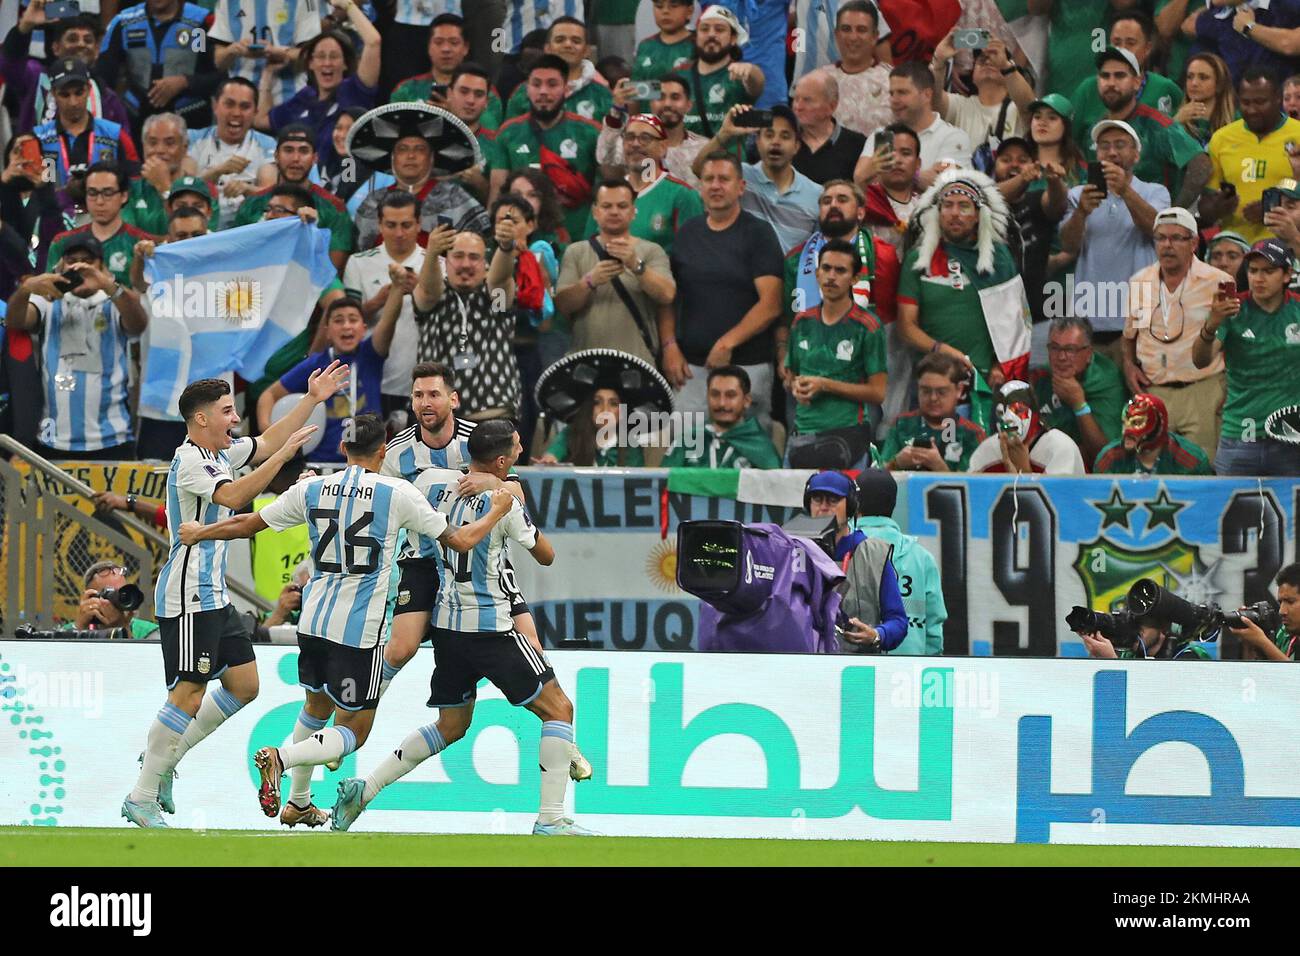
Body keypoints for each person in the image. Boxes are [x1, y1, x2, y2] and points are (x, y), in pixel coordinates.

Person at [176, 413, 516, 826]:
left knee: (315, 707)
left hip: (313, 620)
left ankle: (299, 803)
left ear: (342, 449)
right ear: (383, 450)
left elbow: (249, 523)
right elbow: (461, 540)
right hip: (358, 630)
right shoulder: (398, 492)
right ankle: (281, 758)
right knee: (353, 730)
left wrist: (200, 532)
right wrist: (496, 511)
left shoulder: (312, 488)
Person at [332, 420, 597, 836]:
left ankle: (364, 789)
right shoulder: (501, 501)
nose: (523, 446)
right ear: (503, 460)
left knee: (450, 725)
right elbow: (546, 555)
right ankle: (551, 820)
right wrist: (512, 507)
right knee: (559, 708)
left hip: (448, 628)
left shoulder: (436, 488)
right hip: (491, 626)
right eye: (517, 445)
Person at [120, 368, 346, 828]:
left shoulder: (217, 452)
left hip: (214, 596)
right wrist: (282, 456)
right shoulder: (190, 461)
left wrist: (311, 399)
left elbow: (265, 441)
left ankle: (161, 758)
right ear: (201, 420)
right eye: (227, 411)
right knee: (188, 693)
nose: (235, 418)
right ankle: (142, 794)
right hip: (187, 597)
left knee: (244, 685)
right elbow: (238, 494)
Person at [666, 150, 784, 429]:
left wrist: (727, 343)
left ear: (741, 187)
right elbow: (669, 297)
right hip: (690, 369)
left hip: (748, 366)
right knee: (686, 455)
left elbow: (772, 303)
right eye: (708, 179)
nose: (715, 186)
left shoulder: (759, 234)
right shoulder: (687, 233)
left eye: (724, 179)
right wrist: (669, 346)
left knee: (748, 460)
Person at [6, 233, 148, 460]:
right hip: (53, 439)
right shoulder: (46, 301)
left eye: (88, 260)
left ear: (101, 265)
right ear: (61, 264)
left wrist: (106, 284)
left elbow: (138, 323)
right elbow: (15, 321)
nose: (80, 266)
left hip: (112, 439)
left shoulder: (116, 302)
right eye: (72, 260)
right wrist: (25, 290)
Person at [1123, 205, 1229, 462]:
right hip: (1154, 390)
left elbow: (1229, 339)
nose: (1167, 245)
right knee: (1150, 467)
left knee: (1202, 468)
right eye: (1161, 238)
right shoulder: (1140, 282)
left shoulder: (1219, 282)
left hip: (1202, 389)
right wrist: (1128, 365)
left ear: (1193, 243)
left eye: (1176, 238)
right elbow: (1130, 336)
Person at [896, 168, 1019, 389]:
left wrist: (999, 366)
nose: (954, 213)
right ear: (938, 212)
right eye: (948, 205)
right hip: (932, 380)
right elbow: (906, 327)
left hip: (985, 381)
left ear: (978, 215)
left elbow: (1014, 324)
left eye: (963, 206)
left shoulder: (998, 260)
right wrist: (941, 350)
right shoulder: (919, 259)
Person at [1060, 119, 1168, 361]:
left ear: (1136, 155)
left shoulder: (1155, 192)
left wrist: (1125, 191)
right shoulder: (1078, 195)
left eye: (1120, 145)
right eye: (1104, 146)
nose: (1111, 152)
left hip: (1139, 321)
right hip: (1088, 321)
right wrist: (1081, 213)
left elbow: (1158, 229)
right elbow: (1068, 245)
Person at [1193, 238, 1300, 476]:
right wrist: (1211, 325)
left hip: (1292, 439)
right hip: (1240, 434)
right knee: (1227, 510)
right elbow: (1200, 360)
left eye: (1268, 271)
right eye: (1253, 271)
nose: (1258, 278)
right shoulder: (1232, 310)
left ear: (1286, 275)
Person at [784, 238, 888, 467]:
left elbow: (878, 392)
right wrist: (795, 386)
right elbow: (790, 375)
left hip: (848, 437)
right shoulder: (801, 322)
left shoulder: (868, 327)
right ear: (817, 273)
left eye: (840, 270)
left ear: (854, 278)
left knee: (844, 502)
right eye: (826, 268)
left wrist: (824, 385)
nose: (831, 276)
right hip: (802, 435)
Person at [258, 297, 401, 463]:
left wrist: (397, 289)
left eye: (353, 320)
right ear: (327, 331)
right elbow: (268, 395)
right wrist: (267, 434)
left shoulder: (370, 354)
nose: (346, 326)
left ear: (363, 329)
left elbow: (389, 321)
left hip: (368, 461)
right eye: (338, 320)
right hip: (320, 464)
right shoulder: (316, 364)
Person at [555, 179, 675, 365]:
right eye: (606, 206)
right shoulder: (576, 252)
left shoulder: (653, 251)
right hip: (587, 362)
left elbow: (667, 295)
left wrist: (636, 265)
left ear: (633, 211)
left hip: (638, 362)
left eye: (622, 206)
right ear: (595, 212)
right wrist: (589, 281)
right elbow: (563, 306)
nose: (614, 211)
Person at [1068, 47, 1209, 205]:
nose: (1111, 83)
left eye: (1120, 76)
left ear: (1137, 82)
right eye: (1105, 76)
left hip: (1152, 220)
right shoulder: (1095, 131)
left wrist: (1176, 212)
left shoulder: (1157, 125)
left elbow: (1201, 163)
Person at [412, 225, 520, 420]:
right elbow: (428, 289)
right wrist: (433, 251)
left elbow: (500, 278)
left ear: (485, 263)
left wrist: (505, 248)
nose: (466, 264)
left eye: (474, 257)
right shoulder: (434, 296)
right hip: (438, 420)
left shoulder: (497, 299)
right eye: (458, 256)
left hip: (492, 414)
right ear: (446, 261)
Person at [495, 54, 604, 240]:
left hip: (578, 238)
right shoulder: (507, 133)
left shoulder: (591, 132)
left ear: (566, 88)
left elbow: (603, 192)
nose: (543, 91)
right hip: (522, 240)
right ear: (526, 88)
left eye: (552, 84)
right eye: (536, 84)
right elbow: (497, 193)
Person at [692, 103, 821, 257]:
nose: (776, 142)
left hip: (790, 278)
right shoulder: (740, 175)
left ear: (796, 146)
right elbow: (700, 168)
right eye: (769, 134)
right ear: (758, 142)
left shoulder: (817, 194)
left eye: (785, 136)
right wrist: (725, 133)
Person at [343, 190, 426, 422]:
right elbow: (347, 323)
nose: (399, 233)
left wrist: (422, 292)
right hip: (371, 379)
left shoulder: (435, 266)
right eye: (391, 225)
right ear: (379, 225)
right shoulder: (359, 263)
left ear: (419, 224)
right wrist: (379, 300)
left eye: (406, 225)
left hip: (420, 380)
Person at [260, 5, 380, 155]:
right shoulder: (305, 97)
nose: (327, 63)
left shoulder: (354, 90)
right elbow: (261, 120)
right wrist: (267, 74)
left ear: (345, 64)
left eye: (334, 56)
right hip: (306, 175)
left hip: (348, 174)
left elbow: (373, 42)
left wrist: (348, 5)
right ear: (310, 63)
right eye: (321, 56)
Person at [1200, 68, 1300, 245]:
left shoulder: (1297, 134)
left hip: (1286, 249)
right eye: (1245, 102)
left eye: (1260, 102)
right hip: (1234, 249)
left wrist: (1272, 210)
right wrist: (1217, 208)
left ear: (1278, 98)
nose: (1252, 110)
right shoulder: (1222, 139)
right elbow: (1206, 205)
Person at [852, 468, 945, 656]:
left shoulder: (845, 552)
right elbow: (934, 629)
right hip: (909, 675)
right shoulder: (923, 558)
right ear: (893, 503)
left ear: (855, 504)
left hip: (855, 674)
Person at [234, 126, 353, 270]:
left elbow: (332, 270)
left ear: (315, 158)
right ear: (276, 156)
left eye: (303, 151)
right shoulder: (252, 204)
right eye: (288, 150)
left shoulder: (335, 209)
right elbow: (237, 256)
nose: (296, 159)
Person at [589, 111, 703, 256]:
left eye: (645, 138)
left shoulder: (682, 195)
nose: (636, 144)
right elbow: (587, 248)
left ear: (663, 147)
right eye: (629, 137)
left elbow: (693, 257)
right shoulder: (606, 193)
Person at [96, 0, 220, 133]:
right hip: (136, 122)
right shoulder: (126, 23)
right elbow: (103, 78)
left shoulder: (196, 23)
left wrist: (185, 82)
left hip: (191, 122)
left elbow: (216, 76)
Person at [852, 61, 972, 193]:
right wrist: (915, 176)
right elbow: (860, 177)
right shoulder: (881, 135)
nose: (894, 100)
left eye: (902, 93)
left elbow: (942, 184)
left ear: (927, 95)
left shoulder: (954, 137)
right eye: (892, 93)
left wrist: (887, 174)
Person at [3, 10, 130, 134]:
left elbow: (123, 148)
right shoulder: (35, 77)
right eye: (72, 39)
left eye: (88, 40)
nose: (81, 44)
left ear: (97, 51)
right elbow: (9, 66)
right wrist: (25, 27)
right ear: (56, 47)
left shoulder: (108, 98)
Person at [826, 471, 909, 653]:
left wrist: (878, 635)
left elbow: (898, 621)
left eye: (833, 501)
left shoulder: (875, 554)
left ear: (852, 506)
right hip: (802, 670)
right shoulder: (792, 551)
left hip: (856, 672)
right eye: (817, 500)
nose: (824, 508)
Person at [1030, 317, 1128, 469]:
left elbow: (1106, 457)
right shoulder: (1041, 377)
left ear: (1088, 353)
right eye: (1055, 348)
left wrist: (1079, 405)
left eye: (1070, 350)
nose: (1061, 357)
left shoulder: (1106, 380)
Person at [1067, 12, 1184, 138]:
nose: (1123, 49)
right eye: (1117, 42)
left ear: (1147, 48)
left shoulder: (1165, 88)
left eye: (1130, 43)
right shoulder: (1088, 90)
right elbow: (1069, 142)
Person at [34, 58, 140, 191]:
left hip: (105, 210)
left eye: (79, 93)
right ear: (53, 94)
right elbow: (25, 198)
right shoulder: (37, 139)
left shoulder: (116, 135)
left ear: (89, 89)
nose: (73, 102)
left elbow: (136, 188)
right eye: (65, 95)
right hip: (54, 211)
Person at [188, 77, 277, 229]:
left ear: (255, 111)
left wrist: (248, 190)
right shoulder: (192, 139)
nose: (236, 113)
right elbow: (184, 188)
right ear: (215, 105)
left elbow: (270, 194)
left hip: (247, 230)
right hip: (199, 230)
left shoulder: (267, 144)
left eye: (245, 106)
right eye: (229, 104)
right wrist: (217, 172)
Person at [391, 14, 505, 130]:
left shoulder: (484, 92)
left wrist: (455, 116)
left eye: (454, 42)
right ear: (429, 47)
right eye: (439, 42)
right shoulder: (405, 90)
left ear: (465, 48)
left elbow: (490, 135)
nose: (446, 49)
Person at [48, 163, 154, 286]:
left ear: (124, 196)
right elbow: (47, 296)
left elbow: (149, 295)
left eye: (108, 193)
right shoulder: (61, 242)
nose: (99, 201)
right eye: (92, 193)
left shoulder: (142, 245)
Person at [208, 0, 322, 113]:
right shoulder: (227, 2)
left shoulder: (304, 2)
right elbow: (219, 62)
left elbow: (311, 57)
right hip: (241, 105)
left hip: (288, 101)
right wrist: (232, 51)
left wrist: (282, 54)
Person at [878, 351, 985, 472]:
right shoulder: (902, 424)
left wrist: (939, 467)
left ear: (959, 390)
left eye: (941, 392)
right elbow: (877, 479)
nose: (933, 398)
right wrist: (896, 463)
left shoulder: (971, 434)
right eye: (926, 391)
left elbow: (975, 486)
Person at [659, 365, 781, 468]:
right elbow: (662, 485)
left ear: (747, 401)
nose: (722, 403)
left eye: (730, 395)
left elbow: (776, 492)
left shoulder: (760, 446)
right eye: (715, 394)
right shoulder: (689, 439)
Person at [600, 74, 708, 189]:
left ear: (688, 105)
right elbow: (606, 159)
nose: (667, 104)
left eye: (675, 97)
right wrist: (616, 111)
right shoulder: (634, 145)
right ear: (651, 104)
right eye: (660, 97)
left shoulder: (703, 148)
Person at [674, 4, 763, 139]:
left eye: (719, 29)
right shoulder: (678, 75)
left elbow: (758, 84)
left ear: (733, 38)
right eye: (704, 29)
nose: (711, 34)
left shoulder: (739, 74)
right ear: (696, 36)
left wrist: (750, 70)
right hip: (685, 158)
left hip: (729, 158)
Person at [929, 34, 1028, 153]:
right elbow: (932, 100)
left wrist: (1005, 65)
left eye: (994, 59)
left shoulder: (1017, 108)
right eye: (981, 60)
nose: (987, 62)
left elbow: (1029, 107)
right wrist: (939, 61)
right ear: (973, 76)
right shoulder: (960, 104)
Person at [504, 17, 612, 122]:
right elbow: (511, 135)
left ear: (587, 51)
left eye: (576, 41)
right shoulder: (523, 92)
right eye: (560, 40)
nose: (568, 45)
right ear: (547, 49)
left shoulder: (602, 94)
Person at [968, 379, 1086, 474]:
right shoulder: (987, 450)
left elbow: (1058, 501)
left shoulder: (1059, 447)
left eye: (1018, 410)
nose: (1007, 418)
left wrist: (1023, 471)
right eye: (1000, 413)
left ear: (1035, 415)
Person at [817, 0, 893, 138]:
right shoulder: (819, 82)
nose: (853, 37)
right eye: (846, 29)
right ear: (836, 34)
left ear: (875, 36)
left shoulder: (893, 81)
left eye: (861, 30)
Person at [1182, 0, 1300, 87]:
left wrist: (1250, 28)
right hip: (1236, 111)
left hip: (1285, 109)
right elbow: (1188, 26)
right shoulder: (1218, 15)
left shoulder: (1288, 6)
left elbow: (1291, 44)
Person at [122, 114, 203, 236]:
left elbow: (194, 240)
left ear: (184, 147)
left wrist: (165, 189)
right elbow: (128, 238)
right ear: (143, 147)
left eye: (169, 143)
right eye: (153, 143)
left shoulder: (203, 190)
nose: (160, 150)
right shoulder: (129, 190)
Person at [1093, 392, 1212, 475]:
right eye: (1124, 423)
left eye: (1137, 423)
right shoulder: (1108, 459)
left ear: (1158, 425)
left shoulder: (1192, 461)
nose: (1126, 431)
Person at [534, 385, 646, 466]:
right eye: (597, 402)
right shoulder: (572, 433)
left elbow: (638, 485)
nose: (605, 410)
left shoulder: (631, 446)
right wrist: (549, 459)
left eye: (613, 404)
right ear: (589, 408)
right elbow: (554, 452)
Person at [790, 71, 867, 185]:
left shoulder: (857, 145)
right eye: (796, 99)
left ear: (831, 106)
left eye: (807, 100)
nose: (798, 107)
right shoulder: (784, 141)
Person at [858, 121, 923, 250]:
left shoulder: (925, 206)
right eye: (890, 153)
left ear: (918, 164)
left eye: (905, 153)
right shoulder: (865, 197)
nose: (897, 160)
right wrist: (861, 180)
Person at [68, 560, 159, 638]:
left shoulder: (148, 632)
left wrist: (123, 629)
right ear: (89, 597)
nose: (118, 598)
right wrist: (78, 628)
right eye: (109, 592)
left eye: (122, 592)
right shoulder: (72, 629)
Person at [1230, 563, 1300, 662]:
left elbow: (1293, 676)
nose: (1281, 611)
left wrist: (1263, 642)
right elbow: (1264, 674)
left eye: (1290, 602)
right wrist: (1252, 644)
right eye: (1280, 603)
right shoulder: (1284, 635)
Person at [1175, 52, 1237, 147]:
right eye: (1190, 77)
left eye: (1203, 78)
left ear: (1219, 84)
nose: (1194, 83)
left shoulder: (1237, 120)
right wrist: (1175, 123)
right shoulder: (1175, 116)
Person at [632, 0, 696, 91]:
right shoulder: (645, 46)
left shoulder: (698, 46)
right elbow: (635, 93)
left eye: (674, 5)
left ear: (689, 11)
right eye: (659, 6)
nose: (665, 11)